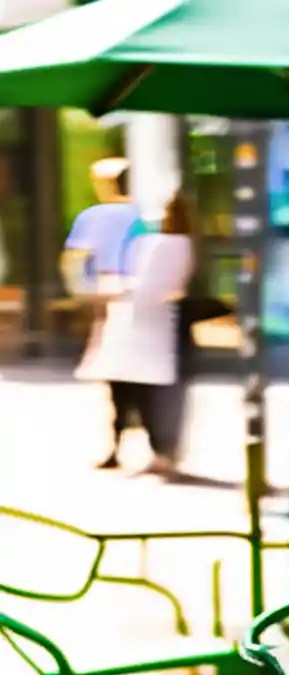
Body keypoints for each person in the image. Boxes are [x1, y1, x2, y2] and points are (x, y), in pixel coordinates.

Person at [78, 191, 193, 477]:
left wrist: (115, 288)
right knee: (144, 396)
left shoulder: (154, 245)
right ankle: (152, 452)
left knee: (129, 395)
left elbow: (144, 288)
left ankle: (130, 450)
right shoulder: (185, 246)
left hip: (134, 330)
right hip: (152, 330)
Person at [62, 158, 146, 470]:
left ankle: (118, 440)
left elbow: (74, 259)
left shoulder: (93, 217)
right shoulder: (142, 216)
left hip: (107, 299)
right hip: (139, 298)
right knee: (139, 372)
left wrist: (82, 293)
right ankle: (146, 437)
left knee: (114, 375)